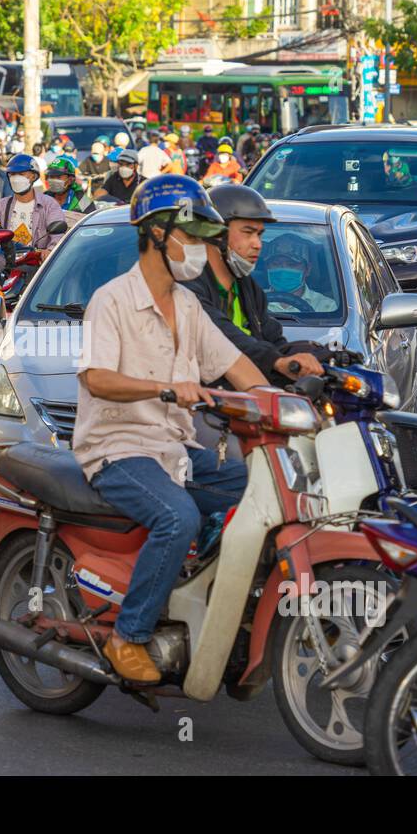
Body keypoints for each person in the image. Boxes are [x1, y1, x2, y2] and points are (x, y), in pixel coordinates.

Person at [74, 174, 267, 681]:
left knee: (260, 494)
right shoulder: (111, 300)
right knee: (176, 516)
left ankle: (201, 599)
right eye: (195, 237)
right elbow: (96, 378)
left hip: (174, 448)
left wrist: (281, 402)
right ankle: (128, 636)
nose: (202, 249)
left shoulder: (186, 305)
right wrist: (159, 389)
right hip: (117, 448)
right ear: (159, 235)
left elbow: (237, 366)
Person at [182, 184, 325, 383]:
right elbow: (221, 335)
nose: (257, 244)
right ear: (216, 234)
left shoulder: (246, 286)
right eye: (248, 233)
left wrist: (311, 353)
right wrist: (276, 361)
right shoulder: (189, 285)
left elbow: (272, 339)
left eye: (259, 234)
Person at [0, 154, 65, 257]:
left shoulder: (49, 205)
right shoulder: (0, 207)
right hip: (7, 263)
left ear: (34, 176)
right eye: (12, 174)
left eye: (21, 173)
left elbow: (58, 236)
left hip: (35, 264)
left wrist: (49, 251)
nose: (16, 178)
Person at [260, 232, 339, 313]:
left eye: (291, 264)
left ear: (307, 270)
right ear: (267, 267)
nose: (283, 269)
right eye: (275, 264)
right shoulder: (252, 301)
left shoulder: (326, 307)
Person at [44, 156, 93, 221]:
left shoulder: (81, 198)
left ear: (70, 179)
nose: (54, 180)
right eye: (51, 176)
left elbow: (92, 220)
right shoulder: (44, 198)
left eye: (58, 177)